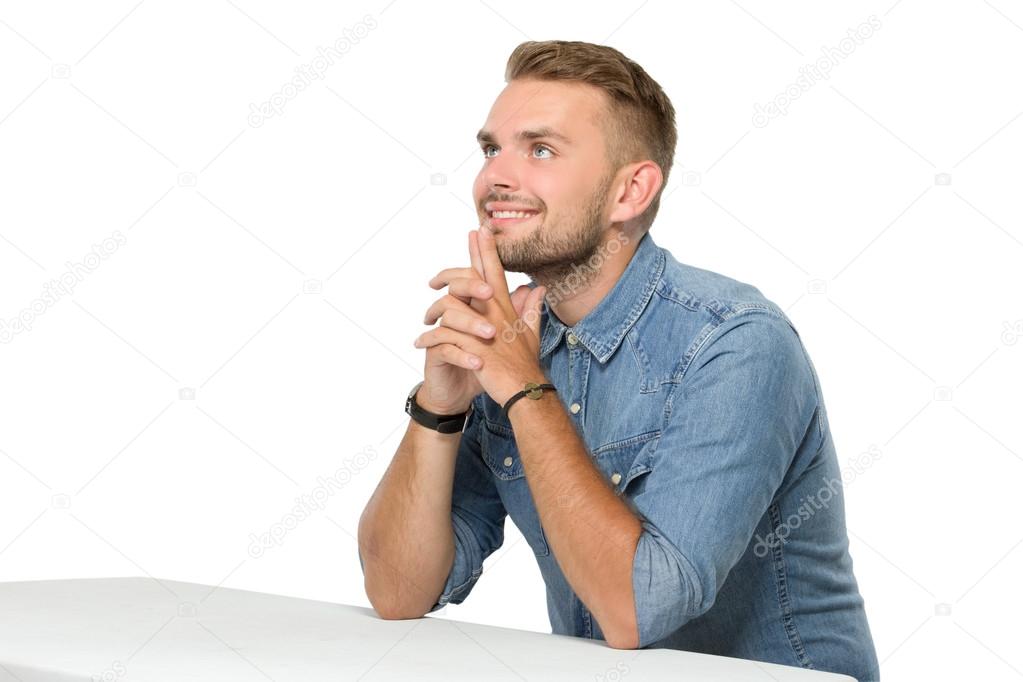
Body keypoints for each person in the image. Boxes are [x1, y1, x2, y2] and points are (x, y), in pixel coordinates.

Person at [358, 39, 880, 681]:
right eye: (493, 148)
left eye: (540, 149)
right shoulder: (515, 344)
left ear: (631, 191)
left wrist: (525, 390)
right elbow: (398, 592)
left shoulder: (737, 344)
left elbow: (636, 609)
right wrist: (440, 405)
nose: (495, 176)